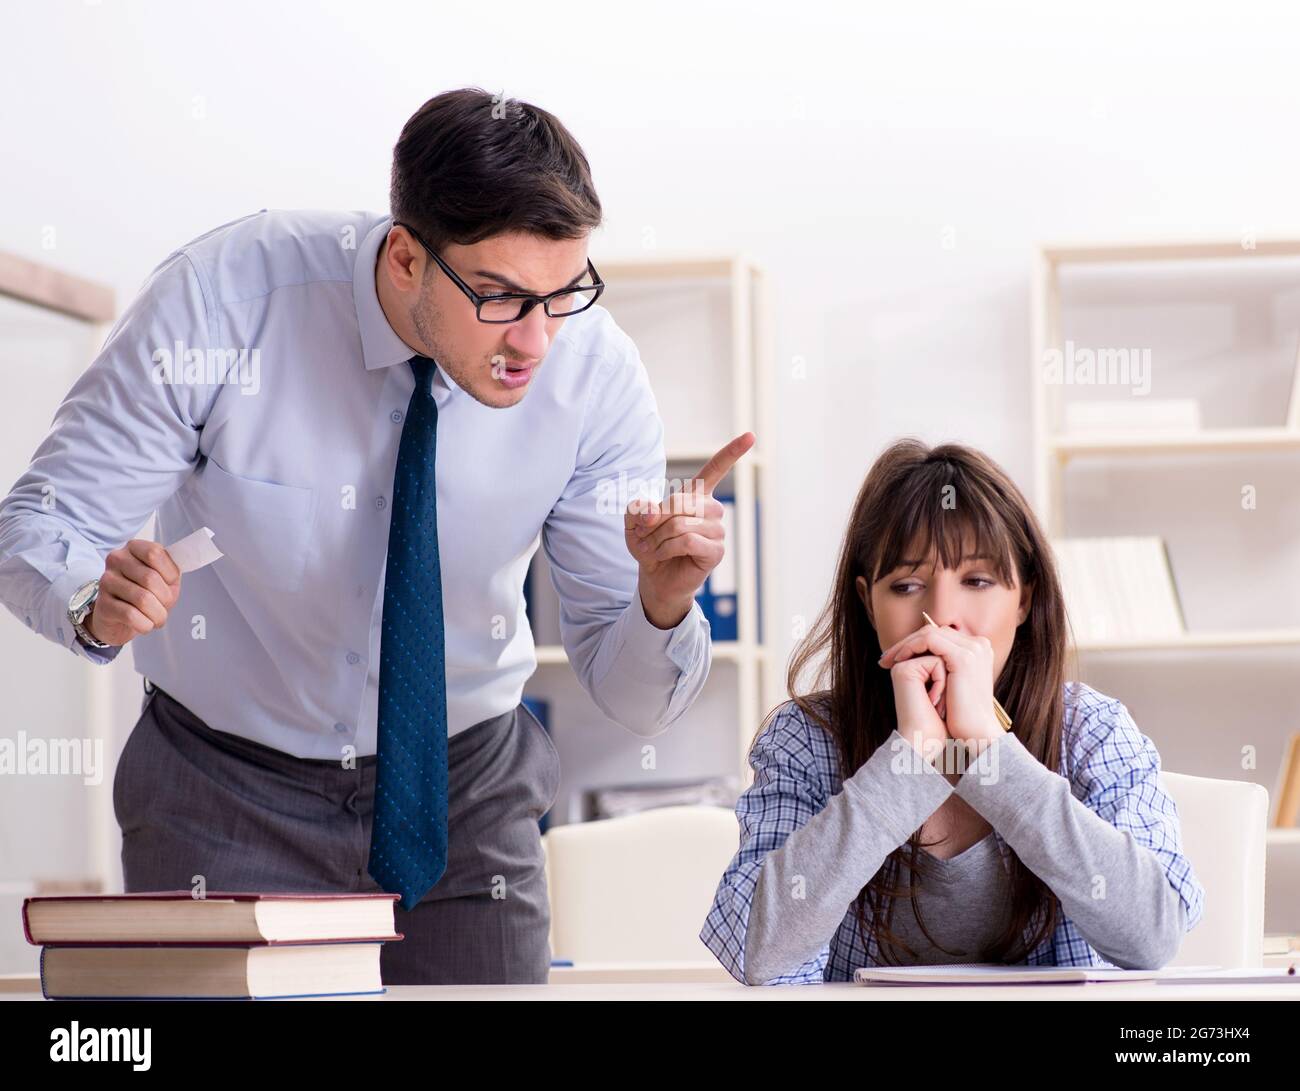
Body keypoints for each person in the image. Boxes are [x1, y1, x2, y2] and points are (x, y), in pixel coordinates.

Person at [0, 87, 753, 984]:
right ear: (404, 257)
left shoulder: (594, 375)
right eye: (503, 296)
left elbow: (633, 698)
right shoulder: (225, 303)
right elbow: (42, 520)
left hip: (465, 794)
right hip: (224, 791)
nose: (537, 342)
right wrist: (93, 603)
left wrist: (664, 602)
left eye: (564, 295)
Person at [701, 438, 1203, 984]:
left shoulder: (1092, 731)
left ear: (1025, 599)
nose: (940, 618)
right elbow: (758, 951)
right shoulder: (806, 738)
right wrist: (908, 761)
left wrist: (990, 751)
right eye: (907, 585)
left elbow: (1154, 935)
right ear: (869, 603)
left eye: (978, 582)